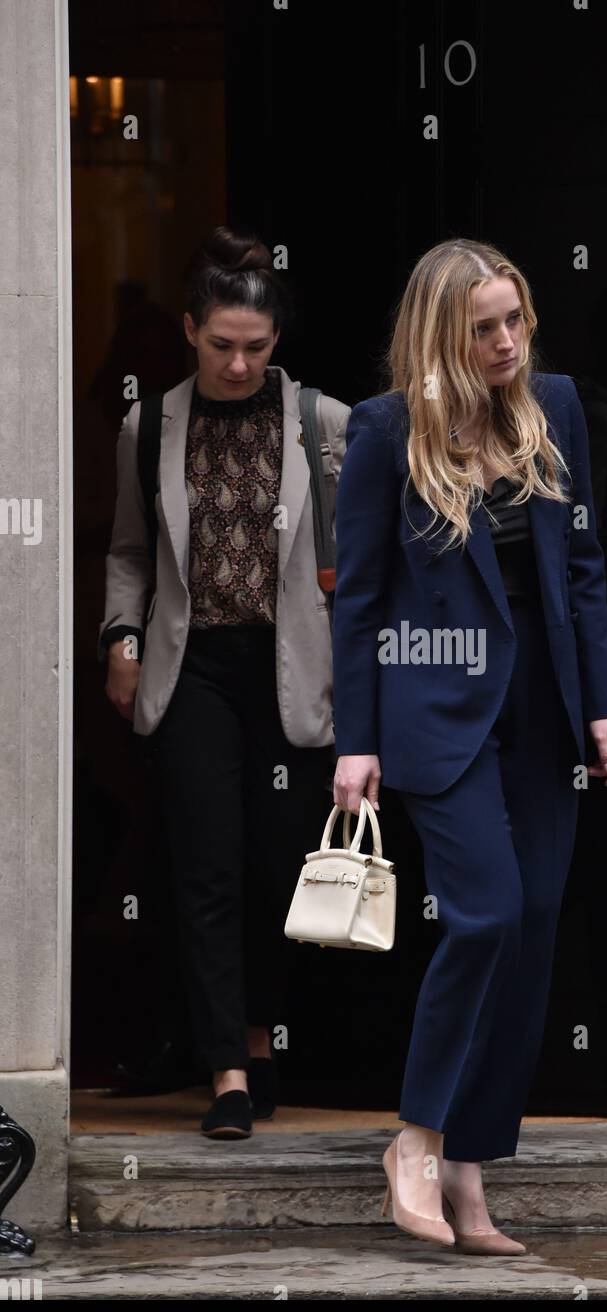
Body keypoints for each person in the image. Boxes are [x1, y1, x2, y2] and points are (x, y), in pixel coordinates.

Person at [331, 237, 607, 1254]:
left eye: (515, 319)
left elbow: (581, 568)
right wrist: (355, 738)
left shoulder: (553, 409)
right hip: (435, 707)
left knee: (534, 922)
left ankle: (468, 1169)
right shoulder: (383, 431)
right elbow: (359, 597)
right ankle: (413, 1139)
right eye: (485, 327)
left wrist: (600, 702)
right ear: (440, 336)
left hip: (543, 709)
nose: (507, 341)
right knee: (486, 913)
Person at [98, 226, 351, 1139]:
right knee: (203, 867)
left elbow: (358, 565)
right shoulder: (149, 423)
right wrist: (121, 641)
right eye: (220, 345)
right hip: (194, 665)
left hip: (291, 671)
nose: (238, 363)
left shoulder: (324, 423)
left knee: (281, 869)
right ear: (189, 330)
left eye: (255, 346)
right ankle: (228, 1074)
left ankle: (262, 1034)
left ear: (276, 340)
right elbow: (130, 552)